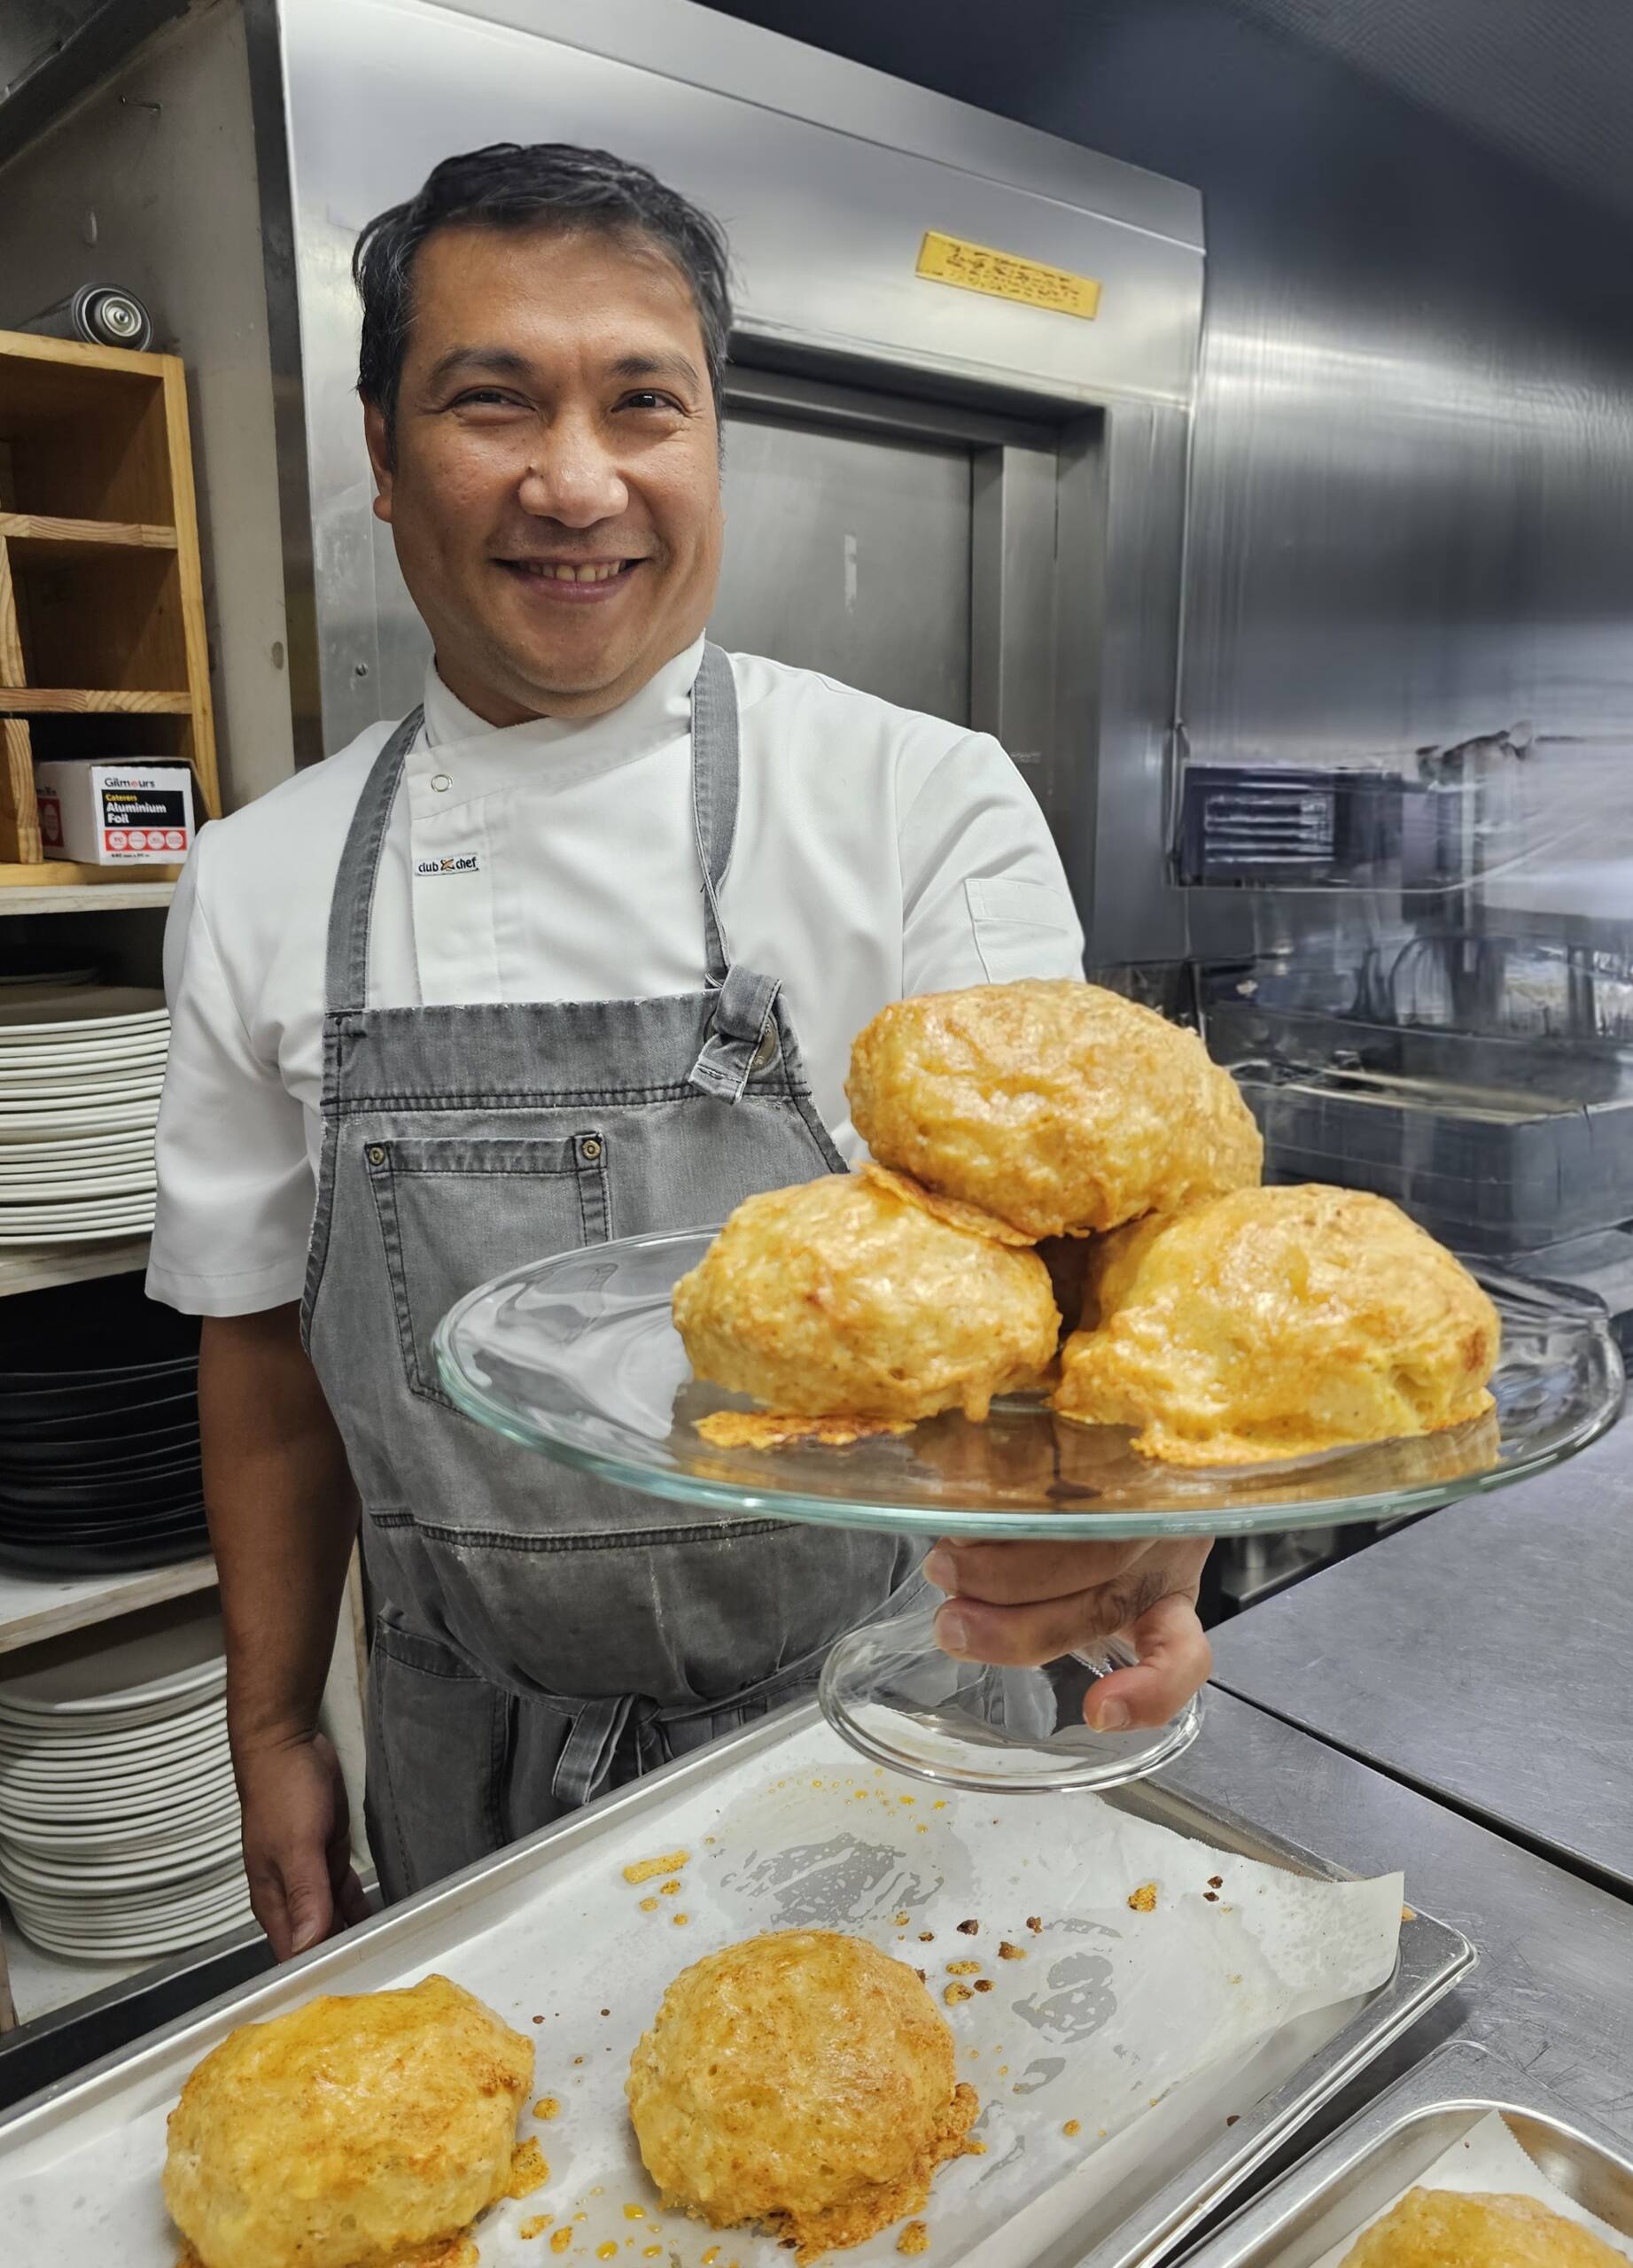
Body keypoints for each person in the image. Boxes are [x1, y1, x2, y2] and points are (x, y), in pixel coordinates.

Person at [148, 143, 1213, 1958]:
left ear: (714, 444)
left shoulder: (915, 798)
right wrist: (267, 1724)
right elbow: (260, 1348)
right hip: (459, 1741)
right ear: (386, 459)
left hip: (888, 1705)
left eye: (644, 403)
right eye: (493, 401)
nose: (577, 482)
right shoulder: (255, 879)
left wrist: (1130, 1532)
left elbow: (1097, 1259)